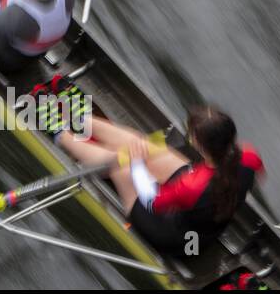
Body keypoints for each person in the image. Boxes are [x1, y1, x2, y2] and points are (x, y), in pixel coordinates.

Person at [57, 105, 264, 254]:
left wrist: (137, 164)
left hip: (178, 236)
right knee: (145, 145)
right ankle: (77, 116)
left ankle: (61, 135)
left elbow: (151, 200)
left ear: (199, 144)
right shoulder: (249, 156)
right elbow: (256, 176)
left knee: (122, 165)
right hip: (198, 205)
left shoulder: (192, 186)